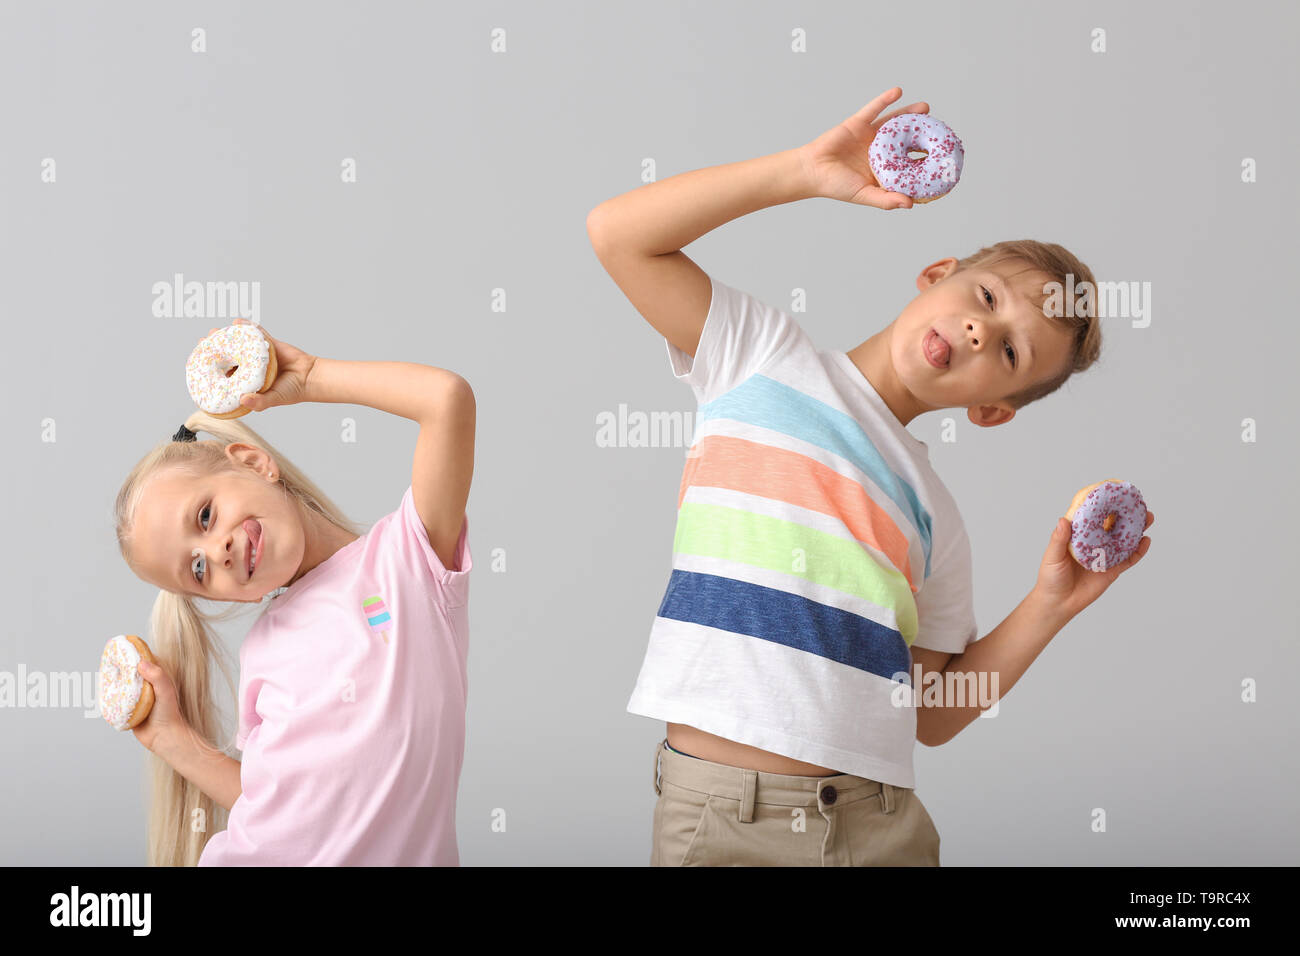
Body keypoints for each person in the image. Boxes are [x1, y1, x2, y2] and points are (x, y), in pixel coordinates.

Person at [586, 87, 1154, 865]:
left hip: (878, 825)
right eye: (985, 298)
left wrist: (1050, 604)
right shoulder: (758, 355)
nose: (980, 329)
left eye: (1011, 353)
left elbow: (934, 711)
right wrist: (801, 171)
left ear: (992, 411)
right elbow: (618, 234)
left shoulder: (935, 519)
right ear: (936, 274)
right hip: (724, 814)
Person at [114, 319, 475, 865]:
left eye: (206, 516)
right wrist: (170, 740)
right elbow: (276, 806)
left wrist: (310, 378)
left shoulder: (407, 560)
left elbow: (447, 400)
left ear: (254, 462)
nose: (218, 553)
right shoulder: (266, 648)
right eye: (197, 569)